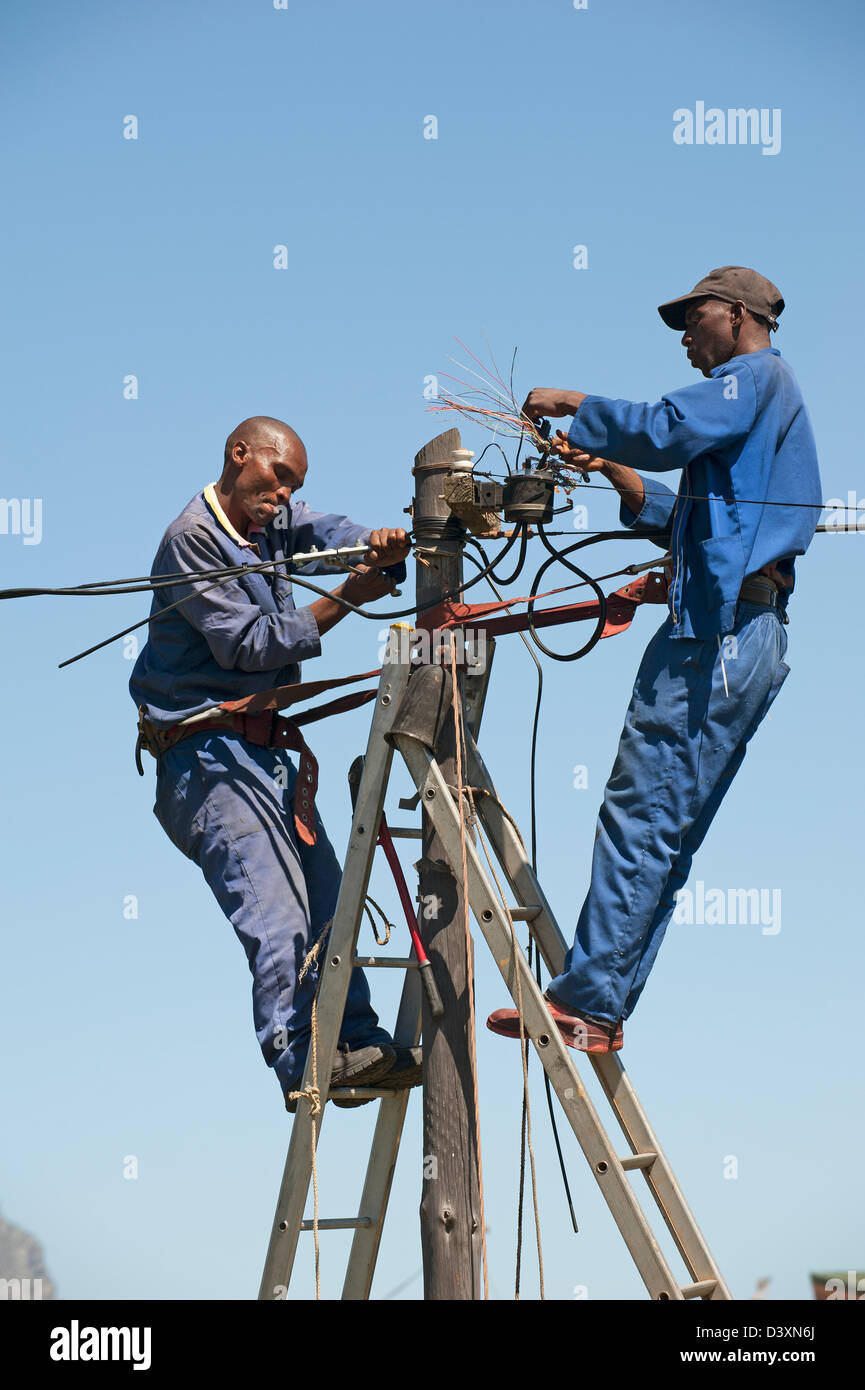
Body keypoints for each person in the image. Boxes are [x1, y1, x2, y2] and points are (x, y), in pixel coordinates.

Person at [487, 266, 822, 1053]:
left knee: (642, 810)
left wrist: (575, 405)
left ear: (737, 316)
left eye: (693, 315)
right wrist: (610, 472)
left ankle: (592, 997)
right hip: (745, 629)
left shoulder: (753, 377)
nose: (683, 333)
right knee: (666, 826)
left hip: (716, 636)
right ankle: (600, 1003)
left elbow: (668, 429)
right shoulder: (760, 405)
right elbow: (703, 517)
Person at [131, 415, 417, 1109]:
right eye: (278, 475)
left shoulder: (270, 521)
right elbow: (250, 647)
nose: (284, 494)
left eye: (294, 484)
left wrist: (371, 544)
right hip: (205, 757)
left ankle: (351, 1041)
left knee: (329, 902)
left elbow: (324, 533)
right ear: (240, 455)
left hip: (261, 751)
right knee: (275, 911)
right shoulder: (194, 538)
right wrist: (350, 595)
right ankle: (300, 1063)